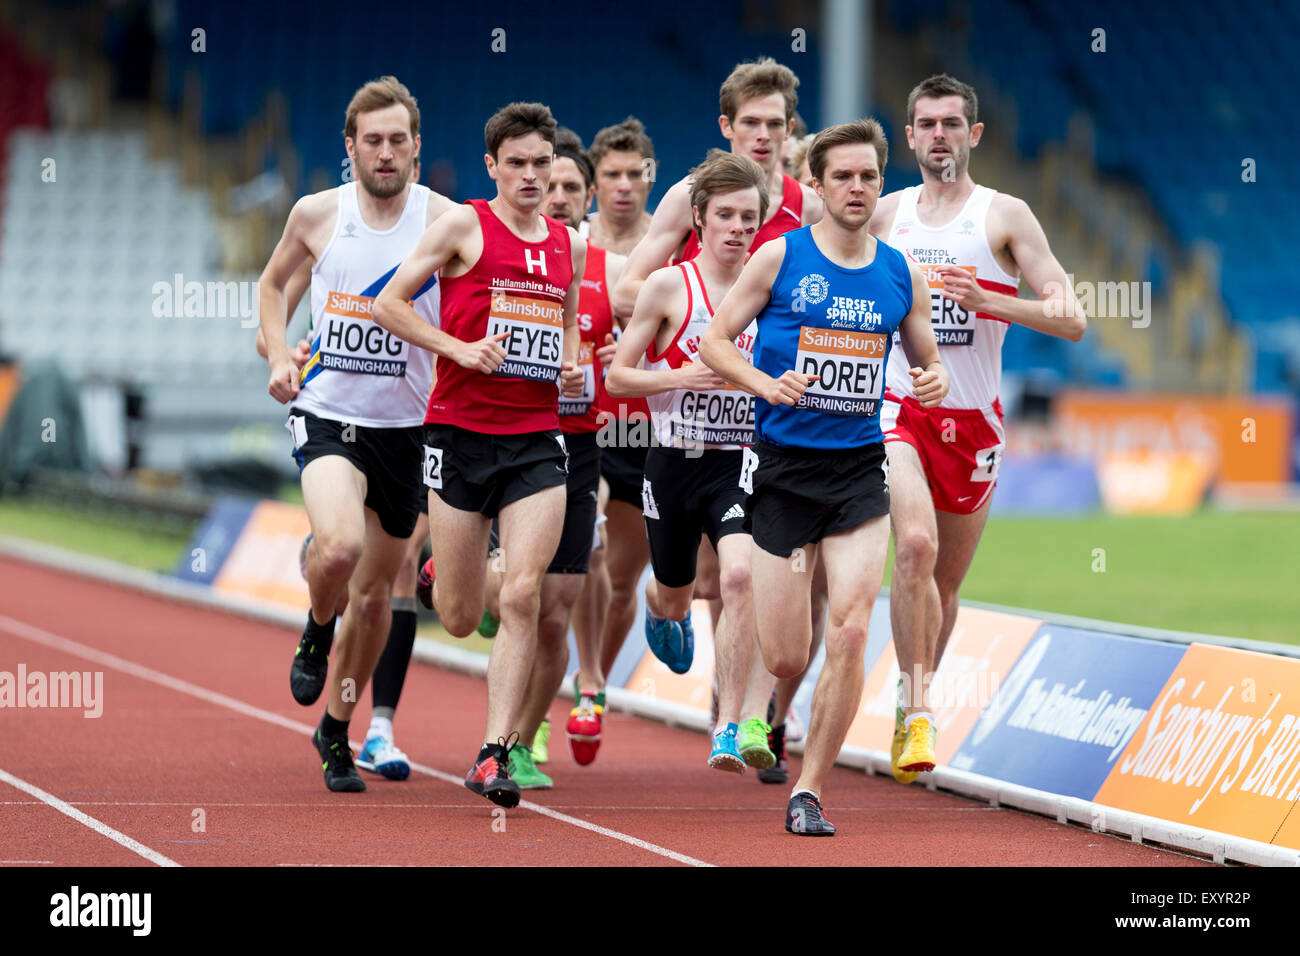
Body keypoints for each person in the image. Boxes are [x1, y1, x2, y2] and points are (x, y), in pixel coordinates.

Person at [700, 119, 947, 834]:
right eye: (843, 175)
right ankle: (763, 711)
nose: (858, 187)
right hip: (781, 474)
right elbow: (715, 342)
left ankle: (808, 790)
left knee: (848, 629)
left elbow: (928, 362)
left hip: (857, 472)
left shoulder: (901, 272)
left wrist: (931, 382)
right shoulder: (779, 258)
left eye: (870, 175)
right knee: (787, 652)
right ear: (816, 183)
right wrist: (763, 384)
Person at [869, 74, 1086, 783]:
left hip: (975, 421)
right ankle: (922, 706)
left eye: (951, 123)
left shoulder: (1005, 216)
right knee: (916, 549)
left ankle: (912, 699)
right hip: (899, 408)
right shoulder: (887, 215)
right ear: (909, 136)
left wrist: (993, 302)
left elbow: (1071, 318)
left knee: (946, 583)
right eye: (926, 123)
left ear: (974, 134)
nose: (939, 134)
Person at [373, 101, 586, 809]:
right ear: (491, 166)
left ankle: (495, 752)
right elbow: (391, 304)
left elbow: (565, 327)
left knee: (524, 593)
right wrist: (458, 349)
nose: (531, 175)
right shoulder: (464, 225)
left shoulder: (568, 245)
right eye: (516, 163)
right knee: (463, 615)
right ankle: (445, 569)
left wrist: (572, 365)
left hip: (535, 439)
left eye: (541, 162)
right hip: (460, 434)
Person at [259, 76, 455, 792]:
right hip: (329, 412)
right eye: (371, 139)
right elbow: (272, 286)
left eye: (398, 140)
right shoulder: (318, 213)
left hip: (408, 428)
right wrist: (279, 351)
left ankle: (335, 731)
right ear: (350, 146)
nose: (385, 151)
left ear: (416, 146)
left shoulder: (445, 222)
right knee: (338, 547)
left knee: (375, 599)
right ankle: (316, 626)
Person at [606, 150, 778, 772]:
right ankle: (660, 610)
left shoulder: (771, 291)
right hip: (672, 462)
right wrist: (682, 376)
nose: (737, 228)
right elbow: (621, 377)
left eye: (749, 218)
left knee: (737, 579)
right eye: (726, 215)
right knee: (677, 592)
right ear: (698, 219)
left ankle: (728, 724)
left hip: (739, 463)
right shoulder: (668, 285)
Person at [490, 127, 626, 788]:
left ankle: (517, 737)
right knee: (507, 595)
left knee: (555, 605)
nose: (563, 195)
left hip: (579, 450)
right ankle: (463, 583)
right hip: (506, 442)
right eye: (556, 182)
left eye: (574, 186)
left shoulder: (604, 269)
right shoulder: (499, 250)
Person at [613, 56, 822, 318]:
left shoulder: (811, 207)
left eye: (774, 124)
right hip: (691, 356)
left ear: (789, 129)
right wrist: (707, 304)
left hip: (763, 360)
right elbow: (624, 294)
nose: (764, 135)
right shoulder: (686, 195)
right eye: (751, 122)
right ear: (726, 126)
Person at [585, 117, 656, 254]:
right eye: (612, 174)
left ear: (649, 182)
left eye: (635, 174)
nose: (624, 187)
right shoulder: (571, 238)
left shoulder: (673, 243)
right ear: (593, 180)